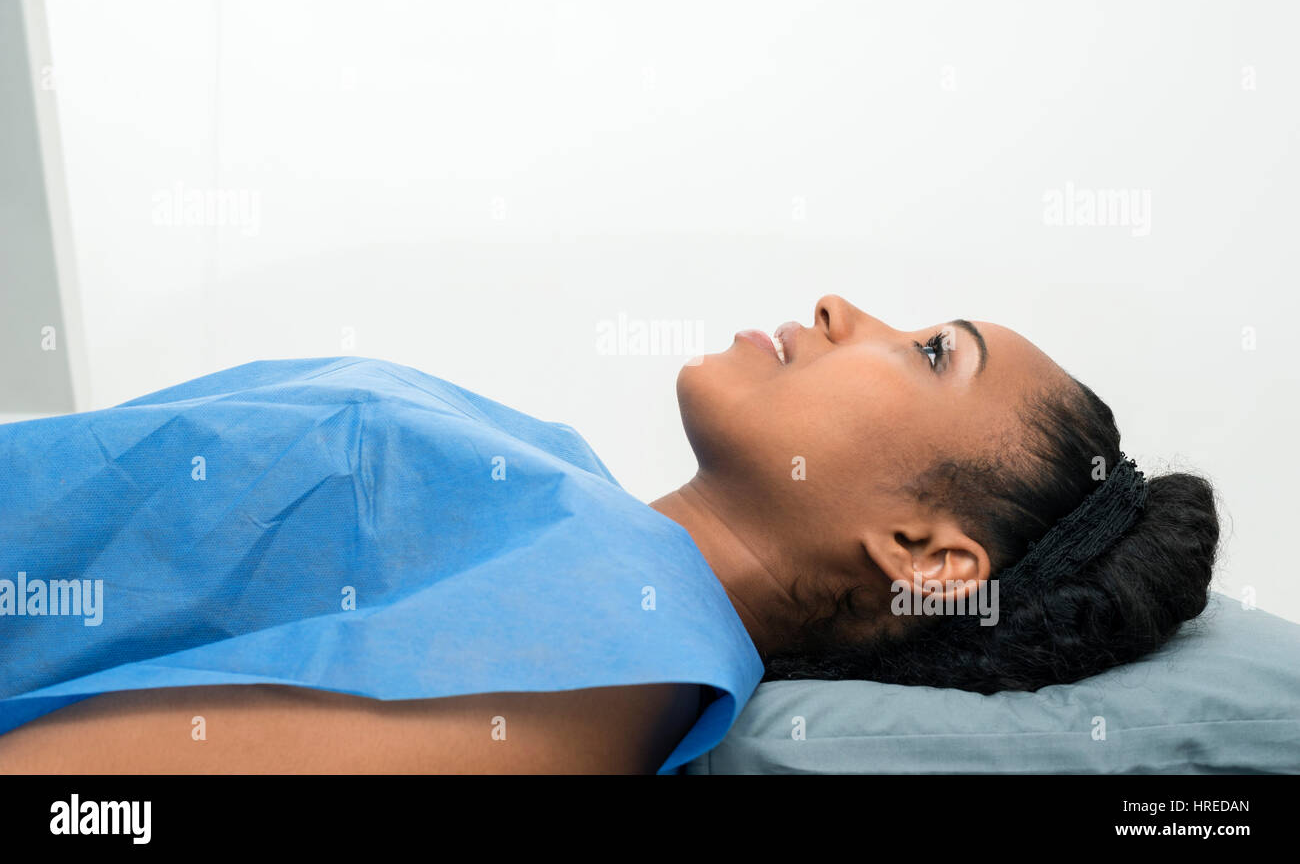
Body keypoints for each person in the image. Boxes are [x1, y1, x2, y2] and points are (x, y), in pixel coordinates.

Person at [0, 295, 1219, 772]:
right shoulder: (576, 513)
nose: (843, 309)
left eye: (931, 352)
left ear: (925, 554)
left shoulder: (623, 663)